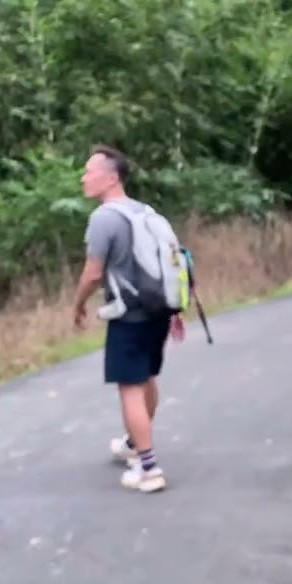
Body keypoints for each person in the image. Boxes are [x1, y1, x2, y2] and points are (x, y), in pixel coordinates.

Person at [73, 145, 181, 493]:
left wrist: (78, 305)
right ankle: (135, 445)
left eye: (89, 171)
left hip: (129, 314)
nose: (83, 177)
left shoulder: (104, 217)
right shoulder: (145, 211)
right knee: (146, 377)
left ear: (111, 177)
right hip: (158, 310)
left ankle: (148, 469)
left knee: (130, 387)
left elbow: (93, 273)